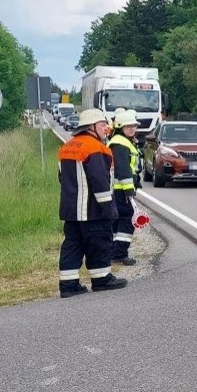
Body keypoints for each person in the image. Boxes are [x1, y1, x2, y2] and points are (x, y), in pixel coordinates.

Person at [56, 109, 128, 298]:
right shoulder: (96, 148)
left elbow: (61, 179)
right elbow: (100, 182)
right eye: (103, 125)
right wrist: (109, 210)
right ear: (91, 127)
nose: (107, 129)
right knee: (100, 243)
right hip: (93, 211)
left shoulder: (66, 147)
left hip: (71, 211)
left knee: (72, 245)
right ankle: (102, 279)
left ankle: (68, 285)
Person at [109, 109, 142, 266]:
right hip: (121, 189)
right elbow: (123, 169)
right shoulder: (120, 144)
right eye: (129, 127)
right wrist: (129, 191)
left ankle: (114, 251)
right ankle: (120, 253)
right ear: (120, 127)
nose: (132, 129)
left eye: (134, 126)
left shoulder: (121, 141)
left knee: (117, 221)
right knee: (127, 220)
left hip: (118, 189)